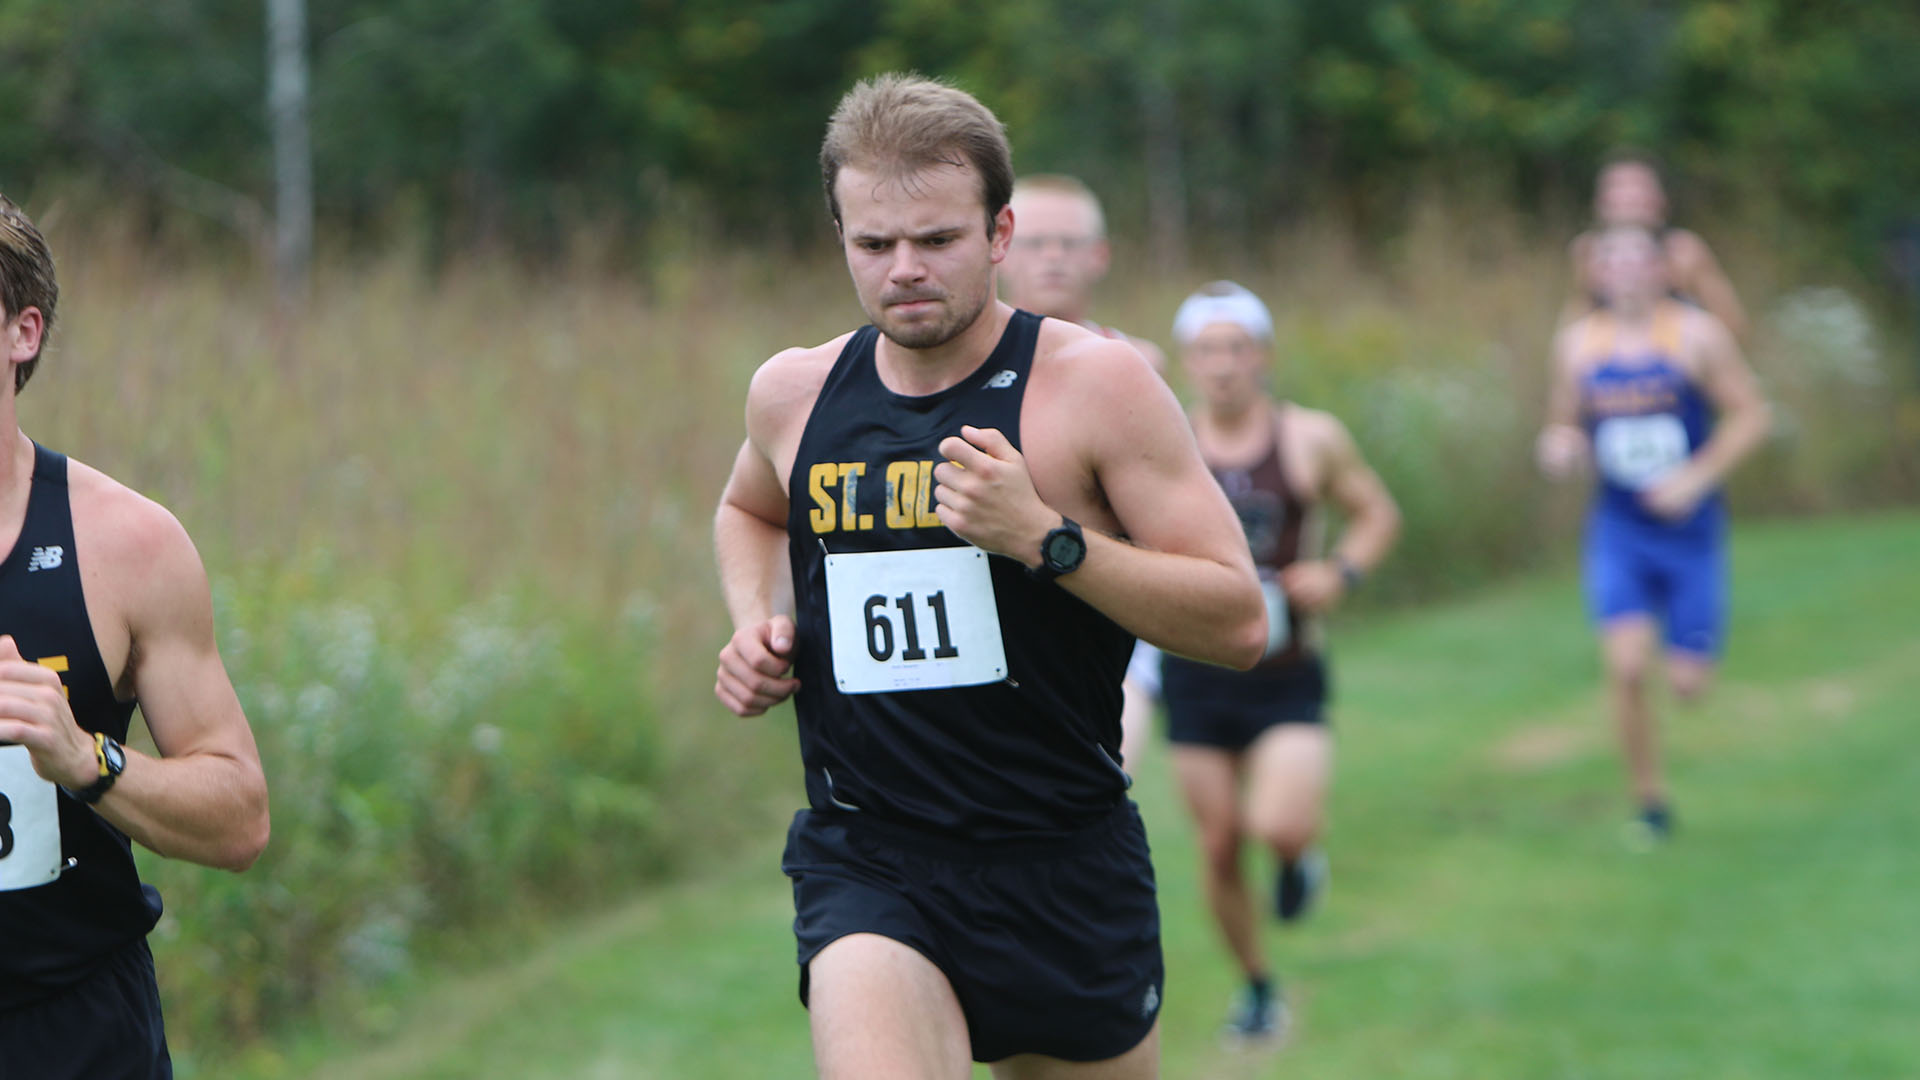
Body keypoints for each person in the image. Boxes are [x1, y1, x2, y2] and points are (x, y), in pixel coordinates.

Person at [712, 75, 1266, 1079]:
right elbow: (750, 509)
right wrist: (757, 623)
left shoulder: (1095, 385)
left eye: (937, 240)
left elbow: (1236, 619)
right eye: (873, 244)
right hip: (870, 855)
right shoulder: (793, 392)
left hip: (1059, 856)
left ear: (999, 233)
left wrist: (1048, 540)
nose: (904, 270)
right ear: (839, 233)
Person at [0, 193, 270, 1078]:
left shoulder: (126, 543)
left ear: (22, 333)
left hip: (75, 1031)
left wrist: (86, 760)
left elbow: (239, 817)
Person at [1156, 281, 1400, 1041]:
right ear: (1188, 363)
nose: (1223, 366)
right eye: (1206, 351)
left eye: (1236, 348)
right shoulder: (1166, 440)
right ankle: (1258, 986)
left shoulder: (1307, 438)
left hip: (1286, 672)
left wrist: (1341, 575)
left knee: (1278, 825)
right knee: (1220, 843)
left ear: (1261, 355)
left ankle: (1299, 861)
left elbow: (1376, 513)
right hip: (1194, 675)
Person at [1538, 224, 1769, 847]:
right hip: (1619, 529)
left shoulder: (1696, 336)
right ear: (1596, 274)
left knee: (1687, 685)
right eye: (1612, 260)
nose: (1626, 270)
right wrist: (1560, 447)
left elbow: (1752, 415)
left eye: (1640, 258)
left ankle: (1689, 668)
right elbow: (1565, 424)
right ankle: (1650, 802)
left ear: (1662, 270)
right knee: (1628, 666)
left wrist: (1696, 478)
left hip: (1692, 531)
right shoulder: (1577, 345)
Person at [998, 173, 1168, 771]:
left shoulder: (1138, 365)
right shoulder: (957, 368)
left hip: (1109, 610)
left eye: (1068, 245)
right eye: (1036, 242)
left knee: (1104, 768)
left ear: (1099, 257)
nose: (1052, 259)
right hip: (1001, 613)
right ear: (1001, 247)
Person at [1565, 154, 1750, 341]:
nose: (1630, 197)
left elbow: (1732, 323)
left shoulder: (1684, 250)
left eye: (1640, 186)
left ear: (1660, 199)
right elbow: (1574, 322)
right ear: (1600, 202)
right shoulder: (1588, 251)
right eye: (1618, 187)